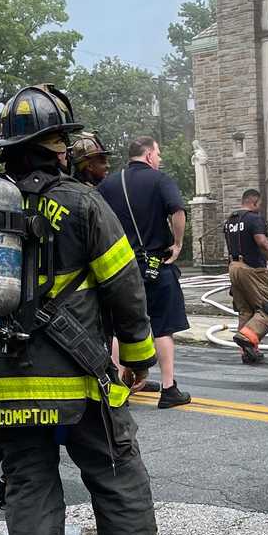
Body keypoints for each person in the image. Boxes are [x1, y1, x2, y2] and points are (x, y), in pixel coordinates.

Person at [0, 84, 188, 535]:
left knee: (29, 481)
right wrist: (139, 358)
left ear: (6, 150)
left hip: (5, 381)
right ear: (57, 146)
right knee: (116, 470)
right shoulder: (83, 203)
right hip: (80, 381)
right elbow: (125, 288)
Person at [97, 136, 192, 408]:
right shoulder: (159, 180)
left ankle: (118, 387)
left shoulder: (108, 185)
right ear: (149, 155)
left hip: (119, 267)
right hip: (156, 265)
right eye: (158, 153)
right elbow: (178, 210)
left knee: (119, 326)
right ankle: (169, 389)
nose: (159, 159)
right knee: (162, 326)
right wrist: (177, 244)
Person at [223, 188, 268, 364]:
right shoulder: (254, 219)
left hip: (233, 267)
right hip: (251, 269)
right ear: (254, 201)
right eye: (259, 203)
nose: (260, 207)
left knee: (246, 310)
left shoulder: (230, 221)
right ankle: (246, 337)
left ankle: (248, 352)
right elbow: (262, 243)